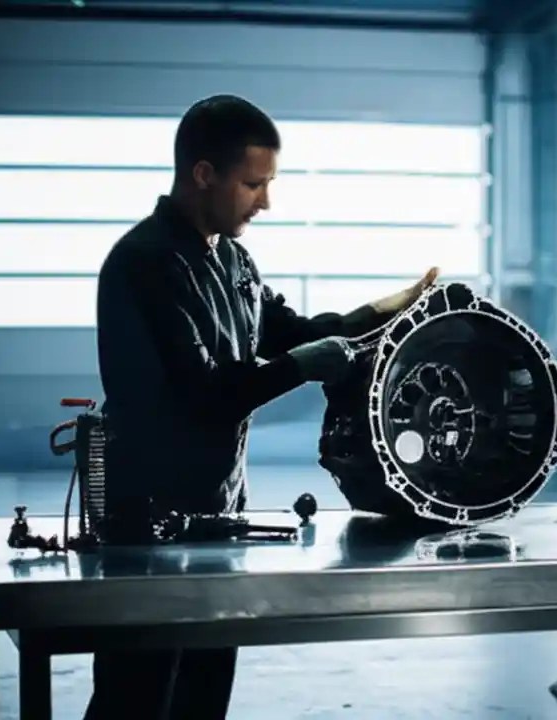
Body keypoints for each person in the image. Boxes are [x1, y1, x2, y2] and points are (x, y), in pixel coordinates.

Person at [86, 94, 438, 719]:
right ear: (203, 174)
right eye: (253, 184)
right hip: (146, 520)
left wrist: (381, 313)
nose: (265, 202)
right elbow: (202, 396)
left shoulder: (234, 260)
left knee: (203, 688)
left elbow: (290, 332)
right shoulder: (144, 263)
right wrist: (300, 369)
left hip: (220, 513)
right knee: (136, 696)